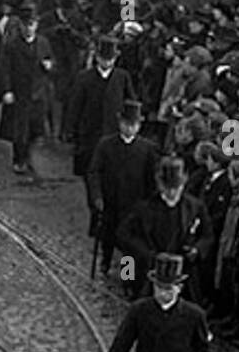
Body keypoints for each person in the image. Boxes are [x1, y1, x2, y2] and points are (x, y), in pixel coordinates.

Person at [117, 155, 214, 302]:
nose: (172, 193)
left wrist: (197, 250)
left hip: (184, 275)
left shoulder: (195, 207)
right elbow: (124, 235)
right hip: (150, 274)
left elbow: (207, 235)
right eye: (168, 188)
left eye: (176, 188)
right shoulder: (144, 208)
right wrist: (147, 254)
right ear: (160, 185)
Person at [87, 98, 158, 281]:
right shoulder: (106, 144)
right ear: (120, 123)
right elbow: (94, 172)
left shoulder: (147, 149)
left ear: (139, 126)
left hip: (134, 205)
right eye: (126, 124)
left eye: (133, 125)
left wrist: (147, 205)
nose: (129, 128)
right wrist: (97, 197)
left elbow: (151, 180)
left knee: (129, 244)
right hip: (110, 201)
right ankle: (105, 263)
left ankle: (127, 276)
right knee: (108, 236)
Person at [63, 36, 137, 181]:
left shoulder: (122, 77)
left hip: (113, 131)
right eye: (104, 59)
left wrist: (130, 124)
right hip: (89, 132)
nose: (107, 62)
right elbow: (75, 105)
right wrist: (70, 129)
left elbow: (130, 102)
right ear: (97, 58)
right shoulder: (84, 77)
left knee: (112, 171)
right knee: (89, 171)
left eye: (111, 59)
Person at [0, 5, 52, 175]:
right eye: (26, 24)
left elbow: (50, 60)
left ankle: (28, 156)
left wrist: (49, 65)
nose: (29, 28)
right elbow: (4, 69)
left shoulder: (43, 43)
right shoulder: (12, 45)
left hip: (38, 93)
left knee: (36, 129)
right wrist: (6, 90)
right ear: (20, 25)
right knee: (20, 130)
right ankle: (19, 160)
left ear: (37, 25)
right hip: (20, 93)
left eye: (32, 24)